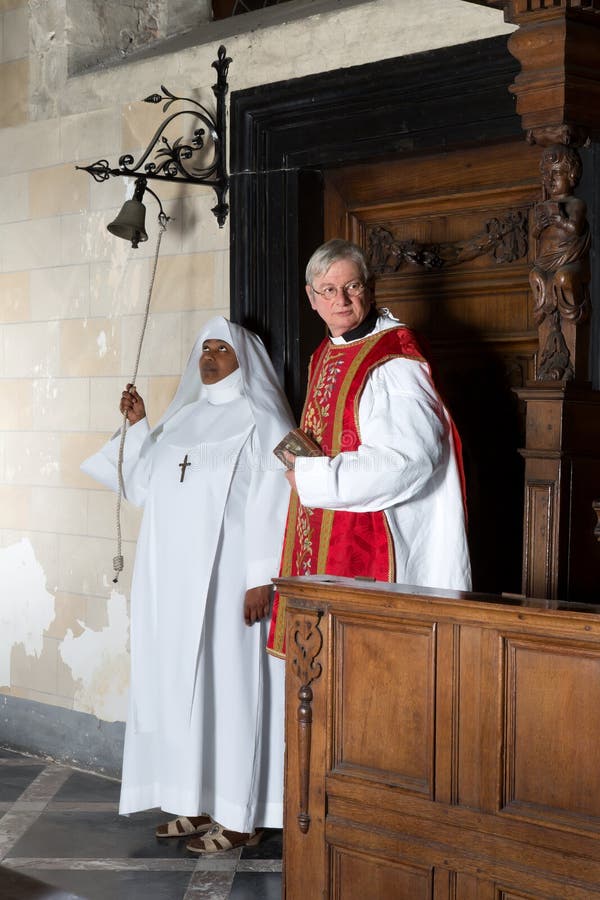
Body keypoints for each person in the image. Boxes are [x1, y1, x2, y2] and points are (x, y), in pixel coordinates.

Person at [81, 317, 295, 853]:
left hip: (229, 582)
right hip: (173, 585)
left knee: (232, 690)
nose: (211, 356)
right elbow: (144, 483)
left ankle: (242, 814)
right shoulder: (183, 418)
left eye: (223, 348)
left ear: (245, 360)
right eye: (205, 347)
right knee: (182, 689)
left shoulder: (261, 418)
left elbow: (277, 498)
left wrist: (261, 577)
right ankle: (195, 800)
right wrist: (140, 422)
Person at [267, 239, 471, 657]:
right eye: (328, 289)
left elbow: (410, 461)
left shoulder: (393, 358)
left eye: (352, 287)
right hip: (325, 539)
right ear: (312, 298)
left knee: (365, 668)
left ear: (370, 288)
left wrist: (312, 476)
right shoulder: (324, 353)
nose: (340, 300)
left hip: (378, 545)